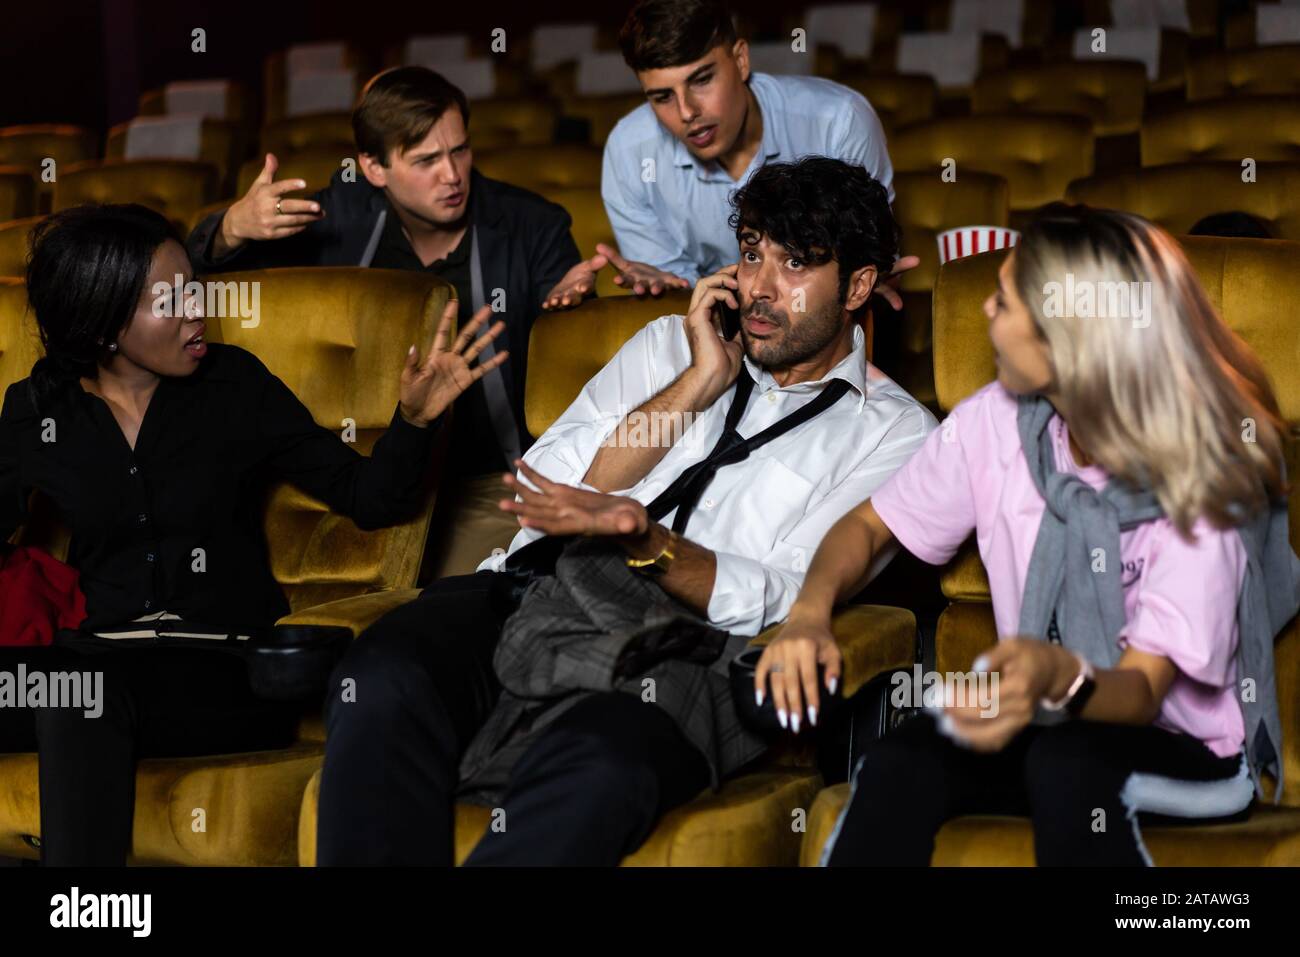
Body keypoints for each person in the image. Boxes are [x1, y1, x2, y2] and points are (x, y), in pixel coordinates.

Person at [316, 157, 936, 866]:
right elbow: (543, 495)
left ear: (858, 284)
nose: (760, 287)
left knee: (604, 763)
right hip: (528, 592)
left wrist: (649, 540)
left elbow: (783, 593)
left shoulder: (897, 433)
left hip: (678, 645)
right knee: (384, 672)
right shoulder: (667, 347)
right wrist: (696, 386)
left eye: (796, 264)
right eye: (753, 252)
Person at [757, 203, 1298, 866]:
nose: (984, 311)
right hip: (1046, 727)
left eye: (1006, 301)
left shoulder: (1204, 477)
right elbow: (870, 526)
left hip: (1188, 746)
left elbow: (1141, 693)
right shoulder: (994, 421)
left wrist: (1060, 676)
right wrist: (809, 612)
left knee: (1072, 764)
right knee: (905, 756)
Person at [0, 203, 505, 865]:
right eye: (168, 299)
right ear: (101, 323)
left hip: (222, 671)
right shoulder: (40, 409)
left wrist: (413, 421)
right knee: (78, 680)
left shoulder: (233, 387)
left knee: (81, 689)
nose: (195, 310)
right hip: (94, 658)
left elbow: (369, 498)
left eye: (194, 287)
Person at [187, 66, 598, 579]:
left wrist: (569, 307)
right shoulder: (338, 218)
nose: (452, 176)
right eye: (426, 160)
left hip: (490, 479)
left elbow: (571, 349)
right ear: (373, 168)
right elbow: (192, 285)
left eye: (460, 151)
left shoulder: (531, 225)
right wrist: (229, 229)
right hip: (360, 474)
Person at [596, 0, 909, 304]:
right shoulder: (629, 153)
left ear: (741, 60)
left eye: (702, 80)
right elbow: (678, 299)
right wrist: (667, 292)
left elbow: (863, 268)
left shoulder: (839, 121)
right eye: (663, 97)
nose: (687, 111)